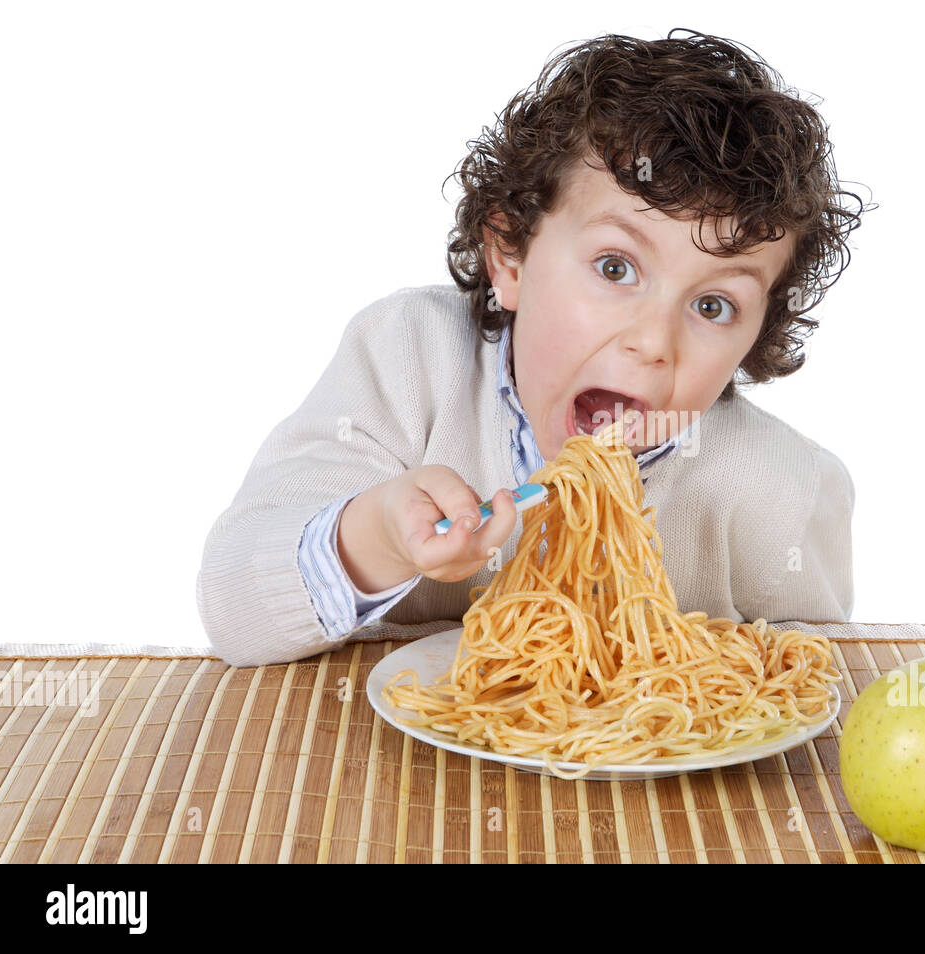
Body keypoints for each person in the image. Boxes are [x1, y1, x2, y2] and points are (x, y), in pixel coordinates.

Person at [197, 29, 867, 667]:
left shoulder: (786, 488)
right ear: (510, 254)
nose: (651, 343)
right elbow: (233, 610)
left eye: (712, 306)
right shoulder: (406, 361)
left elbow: (806, 695)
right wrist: (375, 538)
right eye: (615, 268)